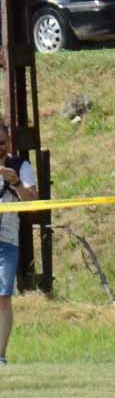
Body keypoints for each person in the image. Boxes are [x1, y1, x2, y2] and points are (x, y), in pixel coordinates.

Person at [0, 133, 32, 364]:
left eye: (1, 142)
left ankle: (0, 355)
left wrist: (16, 183)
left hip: (7, 240)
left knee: (3, 298)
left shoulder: (21, 165)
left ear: (9, 142)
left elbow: (33, 202)